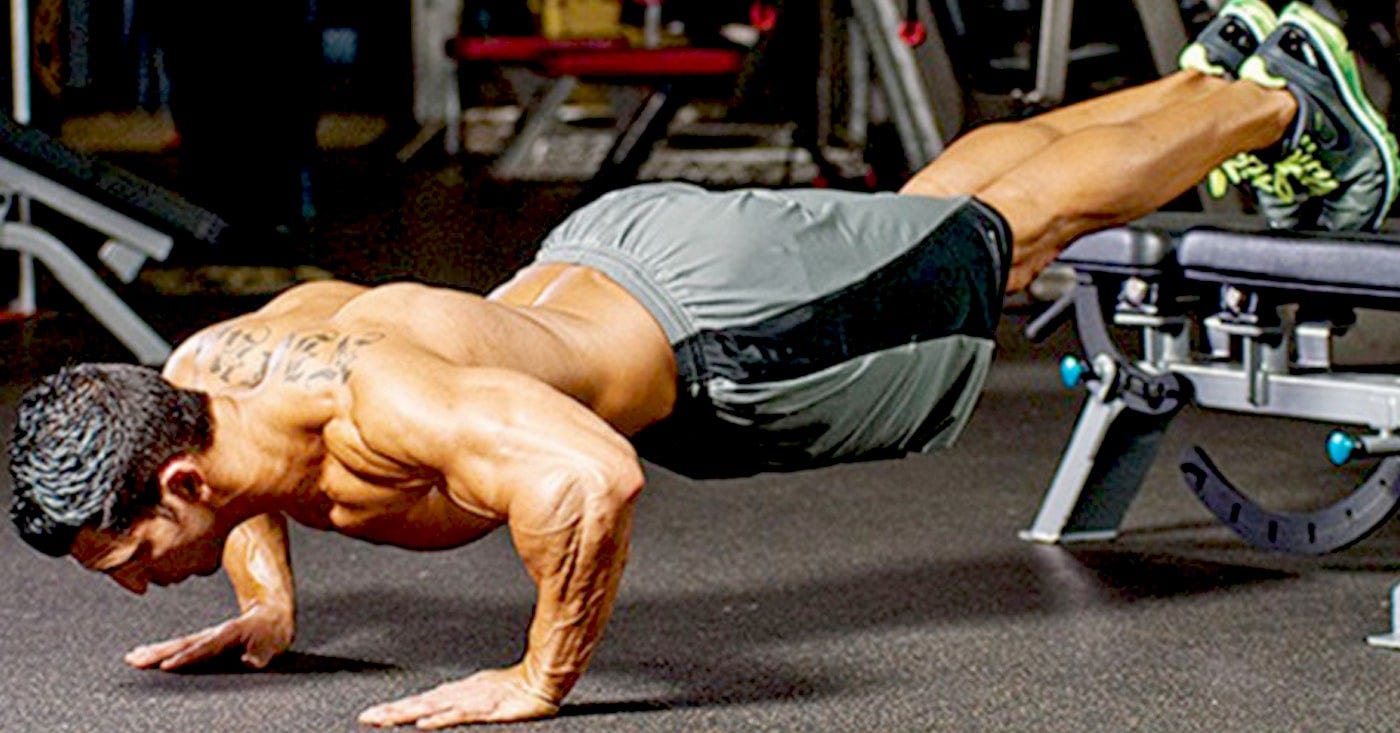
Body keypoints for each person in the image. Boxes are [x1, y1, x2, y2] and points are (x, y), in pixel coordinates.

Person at [6, 2, 1396, 728]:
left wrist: (536, 676)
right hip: (613, 254)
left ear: (175, 482)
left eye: (127, 554)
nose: (131, 582)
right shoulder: (207, 371)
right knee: (942, 213)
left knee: (1004, 240)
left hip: (716, 326)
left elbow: (590, 480)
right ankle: (1214, 70)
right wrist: (265, 606)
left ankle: (1280, 103)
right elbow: (244, 474)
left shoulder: (381, 405)